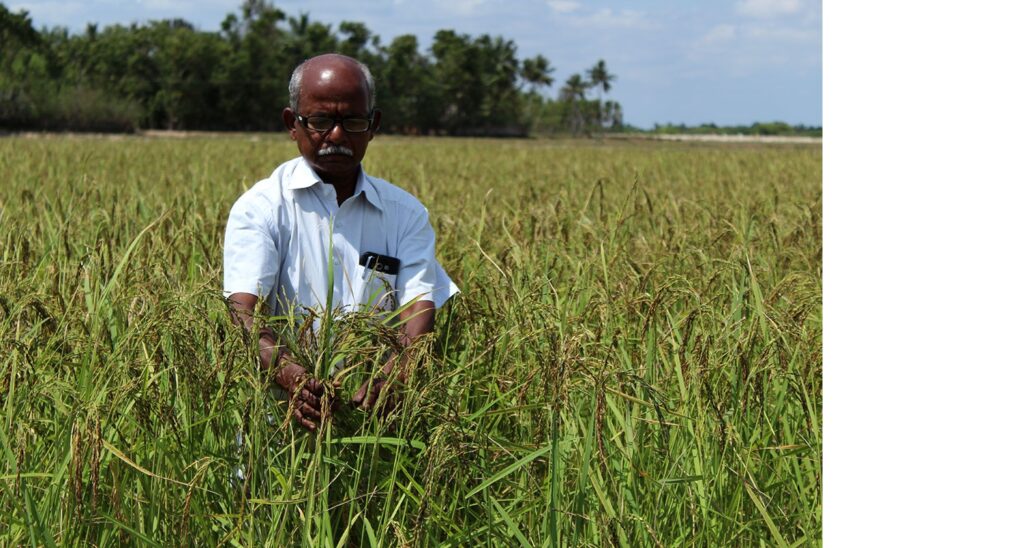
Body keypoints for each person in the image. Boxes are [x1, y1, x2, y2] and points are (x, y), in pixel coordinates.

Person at [223, 54, 459, 431]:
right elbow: (242, 312)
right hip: (279, 429)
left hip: (376, 428)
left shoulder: (404, 214)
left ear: (373, 125)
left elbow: (419, 308)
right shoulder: (262, 209)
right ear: (292, 123)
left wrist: (395, 374)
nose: (336, 136)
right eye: (320, 121)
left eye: (352, 122)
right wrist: (289, 374)